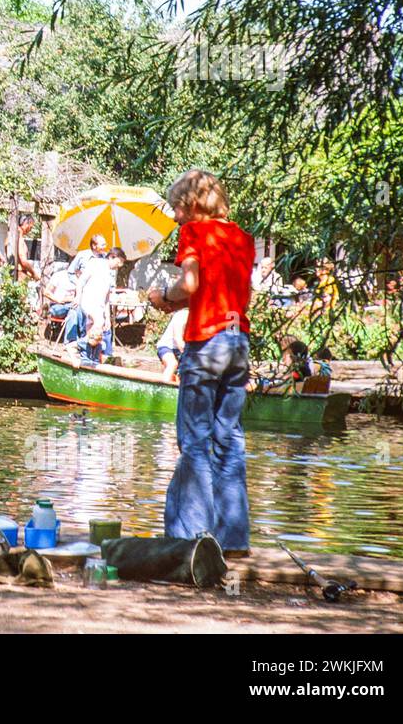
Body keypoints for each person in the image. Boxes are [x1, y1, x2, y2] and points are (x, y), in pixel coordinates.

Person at [148, 169, 255, 557]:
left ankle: (188, 540)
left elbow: (190, 284)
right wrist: (176, 303)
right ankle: (233, 539)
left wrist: (163, 294)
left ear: (193, 204)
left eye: (177, 207)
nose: (175, 216)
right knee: (230, 441)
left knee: (194, 443)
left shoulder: (195, 233)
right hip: (238, 341)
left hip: (206, 343)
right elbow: (227, 294)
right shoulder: (243, 238)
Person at [76, 246, 126, 362]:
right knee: (99, 324)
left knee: (94, 331)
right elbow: (81, 281)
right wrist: (78, 296)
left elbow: (107, 298)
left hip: (99, 307)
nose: (119, 266)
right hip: (88, 302)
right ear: (112, 257)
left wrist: (108, 317)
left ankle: (90, 359)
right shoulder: (96, 264)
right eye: (119, 262)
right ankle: (76, 344)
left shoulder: (110, 274)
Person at [156, 307, 190, 382]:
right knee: (172, 364)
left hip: (181, 350)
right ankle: (164, 388)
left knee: (180, 376)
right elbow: (178, 339)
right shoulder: (181, 315)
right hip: (166, 346)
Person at [9, 214, 40, 283]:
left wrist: (30, 274)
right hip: (19, 275)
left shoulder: (11, 236)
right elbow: (23, 261)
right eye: (30, 227)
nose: (30, 230)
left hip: (16, 272)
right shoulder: (18, 238)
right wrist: (34, 273)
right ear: (26, 224)